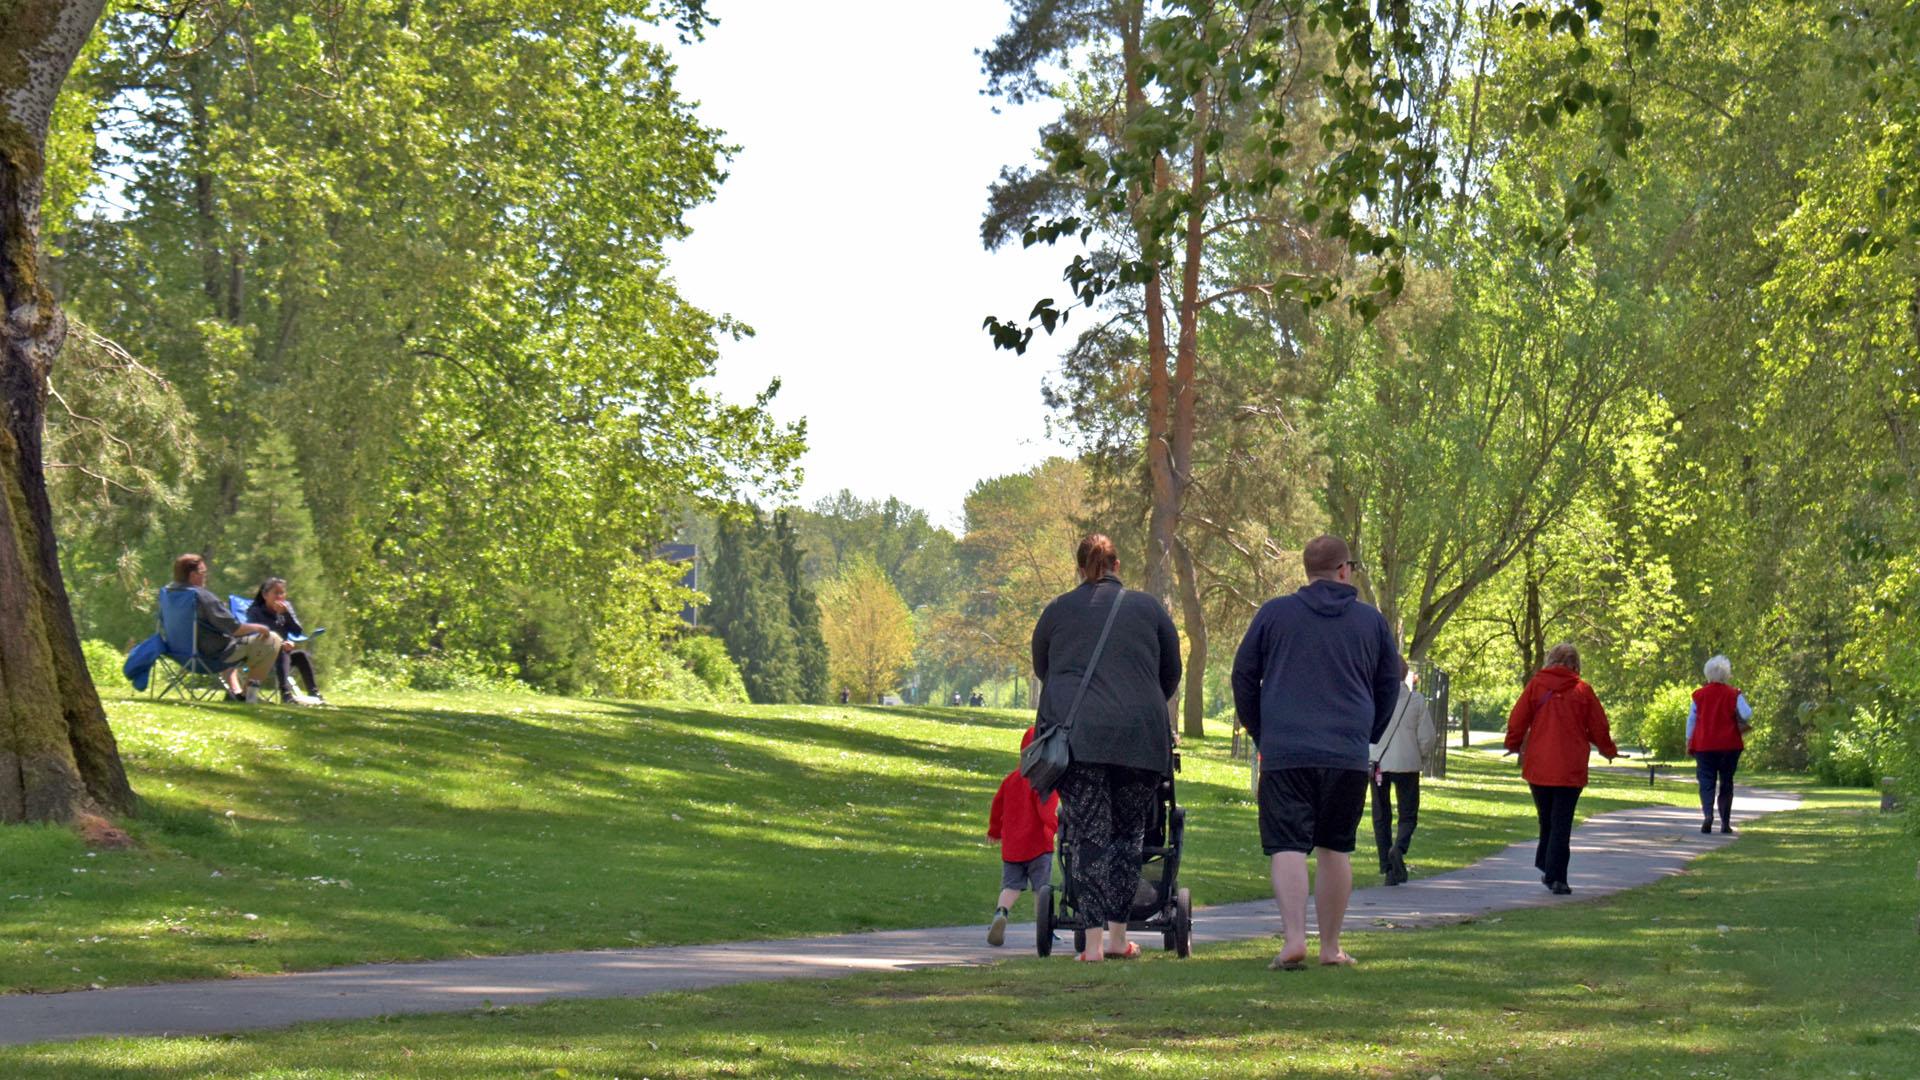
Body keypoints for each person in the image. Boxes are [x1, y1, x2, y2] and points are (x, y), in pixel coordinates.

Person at [1232, 534, 1401, 970]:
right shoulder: (1371, 622)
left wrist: (1260, 730)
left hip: (1286, 747)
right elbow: (1388, 685)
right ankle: (1330, 947)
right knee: (1335, 847)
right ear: (1344, 570)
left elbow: (1244, 675)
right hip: (1344, 750)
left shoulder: (1274, 615)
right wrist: (1368, 730)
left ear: (1307, 571)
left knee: (1287, 844)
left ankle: (1293, 940)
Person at [1031, 533, 1181, 962]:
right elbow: (1170, 673)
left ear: (1080, 568)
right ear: (1118, 565)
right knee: (1128, 836)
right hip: (1140, 740)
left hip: (1081, 740)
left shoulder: (1058, 611)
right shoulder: (1149, 609)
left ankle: (1092, 943)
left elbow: (1045, 668)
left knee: (1089, 836)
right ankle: (1119, 938)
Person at [1504, 643, 1619, 895]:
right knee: (1561, 822)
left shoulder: (1536, 685)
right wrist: (1608, 750)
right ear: (1575, 664)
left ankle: (1547, 866)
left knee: (1547, 819)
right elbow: (1599, 726)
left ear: (1550, 660)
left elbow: (1518, 717)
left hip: (1539, 765)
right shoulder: (1583, 691)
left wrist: (1513, 743)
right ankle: (1557, 876)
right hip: (1570, 766)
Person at [161, 553, 288, 702]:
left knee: (242, 643)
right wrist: (260, 628)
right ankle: (249, 695)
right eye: (203, 573)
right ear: (193, 575)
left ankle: (236, 692)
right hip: (212, 656)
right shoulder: (201, 596)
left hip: (179, 653)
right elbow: (234, 628)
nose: (205, 576)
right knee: (272, 640)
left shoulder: (168, 594)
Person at [986, 726, 1060, 946]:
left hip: (1012, 847)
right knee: (1041, 889)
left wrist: (994, 831)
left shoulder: (1010, 780)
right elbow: (1046, 812)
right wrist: (1056, 827)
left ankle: (1001, 913)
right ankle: (1044, 929)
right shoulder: (1043, 782)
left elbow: (997, 806)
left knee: (1010, 886)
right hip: (1038, 845)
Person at [1370, 658, 1437, 886]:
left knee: (1381, 815)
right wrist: (1422, 756)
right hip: (1407, 763)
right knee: (1408, 813)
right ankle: (1398, 847)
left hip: (1378, 763)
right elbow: (1427, 737)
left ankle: (1387, 867)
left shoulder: (1373, 699)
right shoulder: (1415, 701)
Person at [1689, 654, 1753, 834]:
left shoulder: (1699, 695)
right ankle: (1725, 822)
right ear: (1726, 675)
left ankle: (1708, 815)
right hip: (1729, 745)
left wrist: (1689, 740)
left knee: (1706, 781)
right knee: (1727, 781)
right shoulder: (1734, 693)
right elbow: (1747, 714)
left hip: (1704, 745)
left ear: (1707, 674)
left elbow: (1691, 720)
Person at [246, 577, 325, 706]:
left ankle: (314, 693)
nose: (280, 597)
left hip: (283, 656)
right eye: (276, 593)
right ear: (265, 595)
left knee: (301, 656)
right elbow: (253, 635)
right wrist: (278, 644)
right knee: (281, 650)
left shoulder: (286, 608)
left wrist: (286, 615)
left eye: (282, 593)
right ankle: (286, 694)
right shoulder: (255, 612)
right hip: (261, 656)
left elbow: (297, 631)